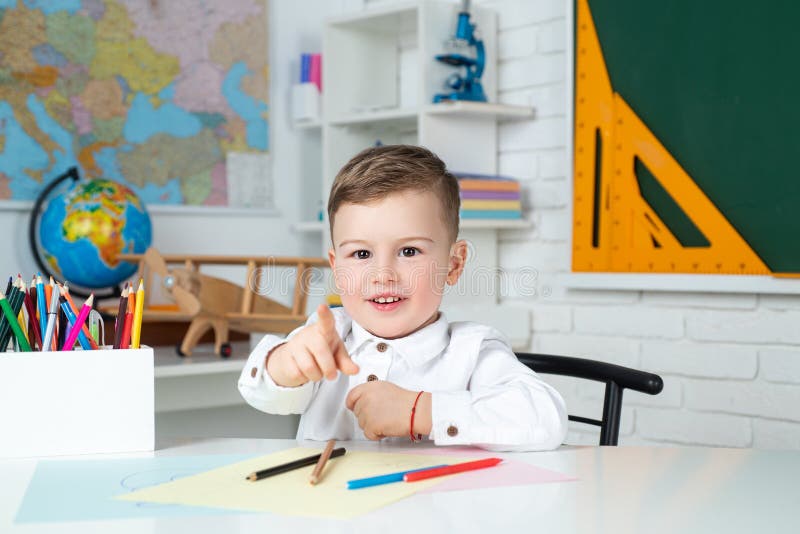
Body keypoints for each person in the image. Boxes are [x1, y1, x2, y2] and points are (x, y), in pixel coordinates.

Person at [238, 145, 567, 451]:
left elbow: (545, 420)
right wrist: (284, 363)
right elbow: (263, 395)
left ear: (453, 264)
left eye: (409, 251)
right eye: (361, 253)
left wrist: (421, 410)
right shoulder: (327, 335)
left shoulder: (472, 350)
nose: (383, 275)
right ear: (337, 269)